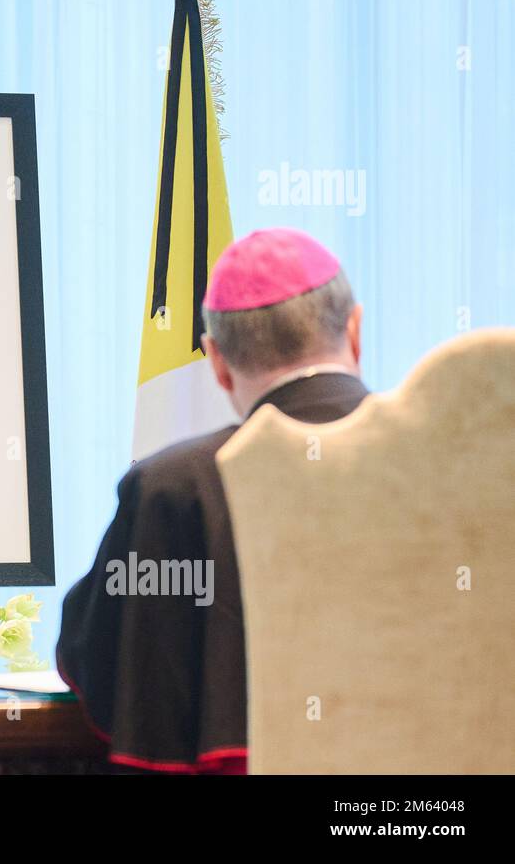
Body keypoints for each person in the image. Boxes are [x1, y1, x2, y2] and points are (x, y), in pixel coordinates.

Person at [56, 228, 369, 774]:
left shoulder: (173, 489)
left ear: (217, 360)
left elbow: (95, 659)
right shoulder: (460, 461)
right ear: (356, 330)